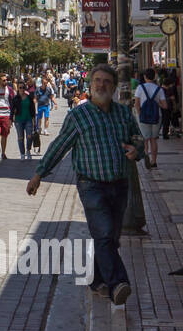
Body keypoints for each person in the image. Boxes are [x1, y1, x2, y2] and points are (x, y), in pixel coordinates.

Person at [26, 64, 144, 306]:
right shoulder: (79, 115)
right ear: (90, 85)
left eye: (106, 82)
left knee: (111, 236)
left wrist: (137, 149)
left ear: (112, 87)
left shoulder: (123, 114)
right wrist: (39, 174)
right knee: (102, 233)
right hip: (91, 185)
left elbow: (137, 137)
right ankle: (118, 283)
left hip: (119, 183)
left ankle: (96, 279)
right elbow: (60, 146)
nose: (101, 85)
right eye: (97, 81)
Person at [133, 67, 167, 170]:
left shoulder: (140, 88)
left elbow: (137, 104)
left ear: (144, 77)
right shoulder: (159, 89)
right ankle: (154, 161)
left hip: (144, 116)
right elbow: (165, 106)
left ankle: (146, 156)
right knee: (153, 139)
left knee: (145, 139)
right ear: (155, 76)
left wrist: (139, 114)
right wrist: (157, 103)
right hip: (157, 116)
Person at [11, 80, 38, 160]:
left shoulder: (29, 97)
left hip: (28, 119)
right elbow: (12, 110)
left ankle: (28, 151)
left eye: (23, 87)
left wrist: (34, 120)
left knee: (29, 136)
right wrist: (10, 119)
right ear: (18, 89)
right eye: (20, 88)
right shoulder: (15, 98)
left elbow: (33, 109)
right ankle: (22, 153)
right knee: (20, 137)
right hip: (18, 120)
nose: (22, 89)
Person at [162, 71, 180, 139]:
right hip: (165, 107)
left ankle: (169, 132)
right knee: (166, 121)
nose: (171, 86)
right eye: (171, 84)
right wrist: (170, 98)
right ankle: (165, 134)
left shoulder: (168, 89)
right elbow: (162, 99)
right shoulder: (162, 90)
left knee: (168, 120)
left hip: (169, 107)